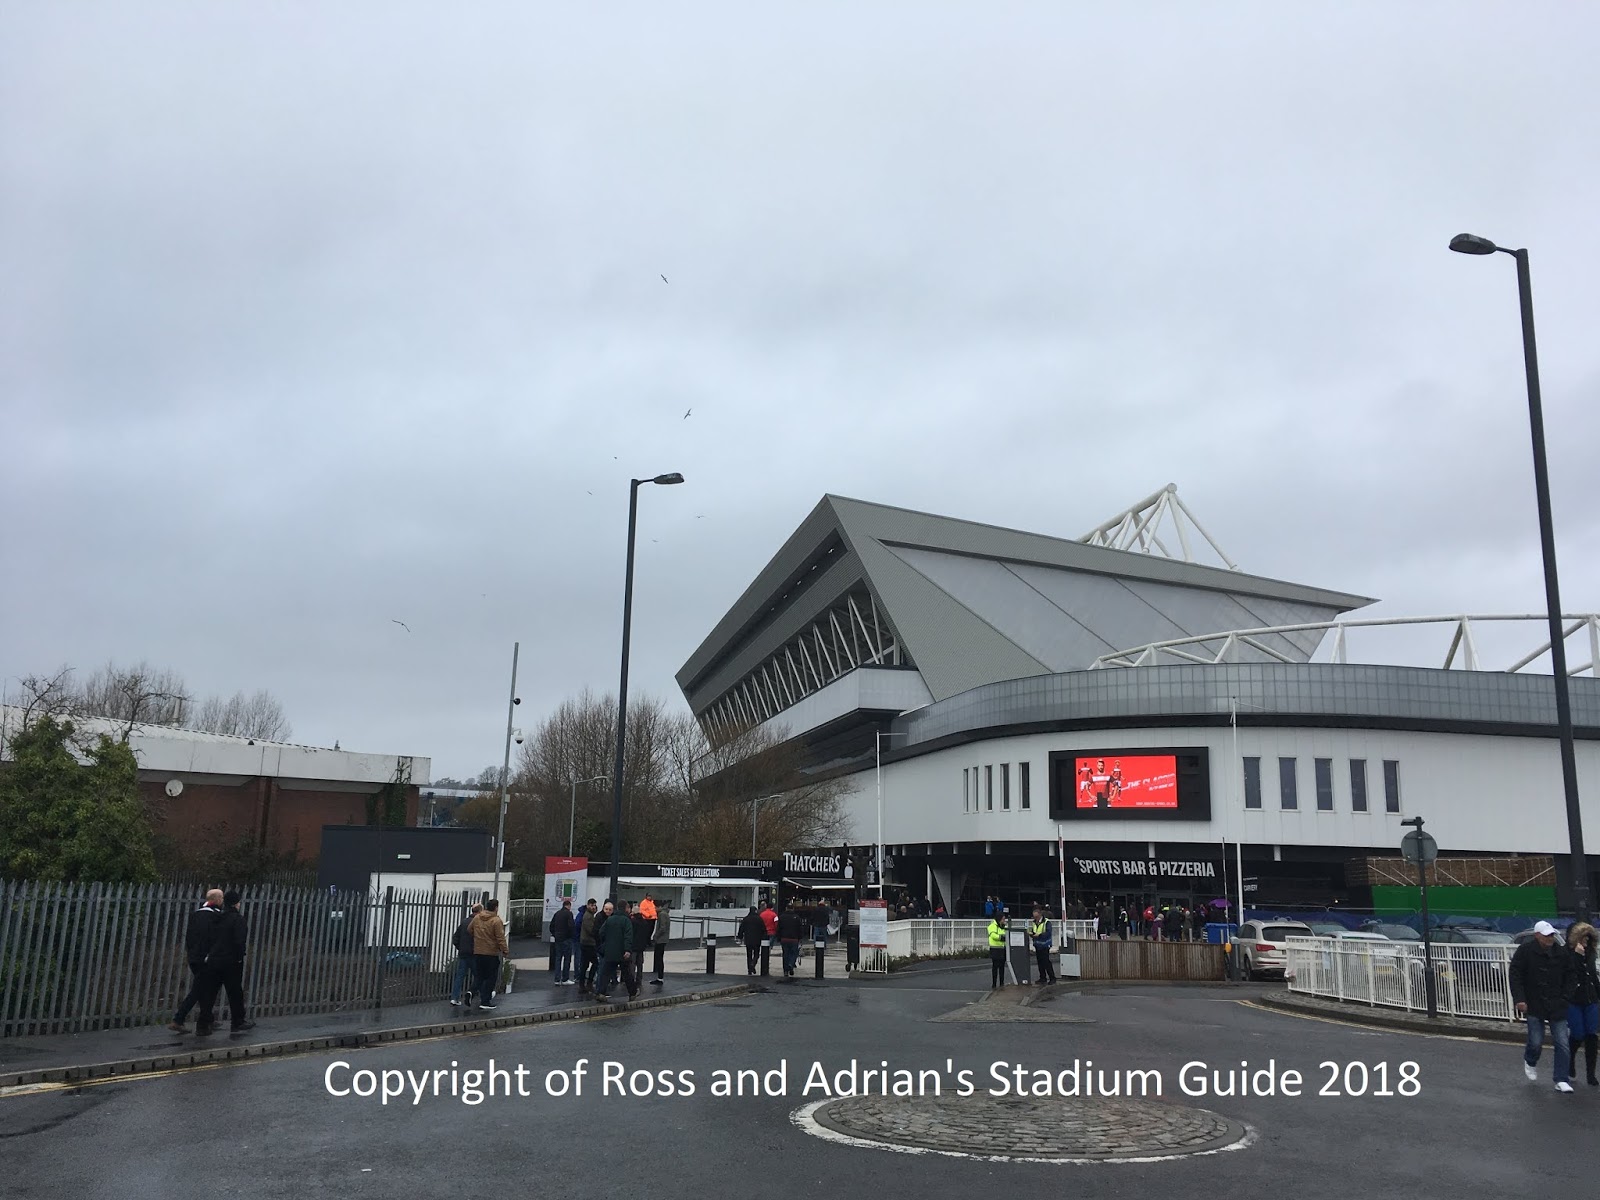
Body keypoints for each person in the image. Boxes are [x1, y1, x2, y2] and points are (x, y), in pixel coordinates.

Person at [1510, 919, 1579, 1092]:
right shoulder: (1525, 951)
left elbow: (1572, 976)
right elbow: (1515, 975)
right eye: (1547, 936)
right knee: (1536, 1041)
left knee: (1562, 1042)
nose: (1550, 938)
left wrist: (1565, 997)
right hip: (1534, 1002)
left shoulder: (1561, 953)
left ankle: (1561, 1079)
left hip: (1557, 1003)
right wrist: (1520, 999)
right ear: (1537, 936)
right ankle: (1530, 1060)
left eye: (1552, 935)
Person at [196, 890, 254, 1034]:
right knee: (234, 992)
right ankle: (238, 1021)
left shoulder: (216, 917)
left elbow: (209, 938)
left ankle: (203, 1024)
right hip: (231, 960)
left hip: (214, 959)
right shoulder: (237, 919)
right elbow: (239, 941)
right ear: (236, 903)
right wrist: (240, 956)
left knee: (210, 992)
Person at [169, 889, 224, 1032]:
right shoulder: (215, 916)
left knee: (204, 988)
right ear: (217, 899)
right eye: (221, 898)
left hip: (194, 957)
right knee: (199, 990)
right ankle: (178, 1019)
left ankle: (208, 1019)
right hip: (206, 959)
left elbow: (189, 937)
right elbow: (215, 939)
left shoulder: (196, 915)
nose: (222, 901)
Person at [1564, 921, 1600, 1087]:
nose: (1585, 942)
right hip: (1574, 998)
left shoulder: (1591, 952)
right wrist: (1578, 956)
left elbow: (1592, 975)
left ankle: (1590, 1074)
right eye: (1583, 938)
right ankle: (1570, 1062)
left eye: (1588, 939)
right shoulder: (1567, 953)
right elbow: (1572, 973)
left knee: (1592, 1034)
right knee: (1578, 1033)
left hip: (1590, 998)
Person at [470, 898, 509, 1011]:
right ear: (496, 908)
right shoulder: (496, 921)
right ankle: (485, 1001)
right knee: (491, 977)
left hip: (478, 952)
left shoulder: (477, 918)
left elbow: (470, 929)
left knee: (480, 976)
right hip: (491, 953)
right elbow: (500, 938)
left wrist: (478, 938)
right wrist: (505, 950)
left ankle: (471, 992)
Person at [594, 899, 633, 1002]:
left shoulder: (610, 919)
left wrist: (606, 943)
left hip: (609, 951)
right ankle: (632, 993)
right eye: (628, 908)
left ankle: (600, 993)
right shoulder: (626, 920)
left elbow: (601, 932)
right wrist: (627, 950)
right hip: (622, 952)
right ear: (625, 908)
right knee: (627, 973)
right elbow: (628, 937)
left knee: (605, 973)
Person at [450, 903, 483, 1006]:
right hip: (474, 953)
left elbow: (455, 938)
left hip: (463, 953)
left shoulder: (464, 922)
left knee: (460, 976)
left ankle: (454, 998)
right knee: (479, 976)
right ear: (479, 911)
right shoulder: (478, 922)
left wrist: (461, 948)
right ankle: (484, 996)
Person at [548, 898, 576, 985]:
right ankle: (565, 979)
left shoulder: (557, 914)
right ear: (569, 906)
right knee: (567, 959)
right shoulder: (569, 914)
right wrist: (571, 936)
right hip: (566, 939)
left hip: (558, 939)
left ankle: (557, 979)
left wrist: (555, 934)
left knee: (558, 959)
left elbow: (551, 926)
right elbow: (571, 926)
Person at [576, 898, 601, 995]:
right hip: (588, 943)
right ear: (588, 906)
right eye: (592, 905)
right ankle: (588, 983)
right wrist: (598, 934)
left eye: (594, 905)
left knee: (585, 964)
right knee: (595, 963)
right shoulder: (588, 916)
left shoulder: (590, 915)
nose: (593, 907)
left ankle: (583, 985)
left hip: (586, 943)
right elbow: (590, 930)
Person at [1028, 907, 1056, 986]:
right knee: (1040, 962)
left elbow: (1048, 933)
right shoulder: (1034, 922)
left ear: (1040, 915)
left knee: (1046, 962)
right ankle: (1042, 978)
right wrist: (1032, 934)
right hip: (1037, 944)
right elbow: (1034, 930)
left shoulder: (1047, 922)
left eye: (1036, 917)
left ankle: (1052, 978)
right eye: (1034, 917)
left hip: (1045, 944)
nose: (1035, 918)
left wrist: (1039, 935)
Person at [777, 903, 806, 978]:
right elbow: (800, 929)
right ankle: (791, 964)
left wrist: (778, 938)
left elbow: (779, 928)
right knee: (794, 953)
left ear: (786, 908)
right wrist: (800, 938)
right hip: (794, 939)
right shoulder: (797, 917)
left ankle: (785, 971)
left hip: (784, 938)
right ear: (793, 908)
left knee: (785, 954)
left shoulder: (782, 917)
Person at [739, 906, 765, 976]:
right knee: (756, 954)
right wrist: (764, 937)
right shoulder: (759, 919)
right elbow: (763, 929)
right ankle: (753, 963)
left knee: (749, 955)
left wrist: (740, 936)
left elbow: (741, 928)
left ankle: (749, 969)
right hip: (757, 939)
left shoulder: (746, 919)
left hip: (748, 939)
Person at [649, 903, 671, 986]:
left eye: (656, 906)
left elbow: (662, 928)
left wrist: (655, 936)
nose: (655, 908)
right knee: (659, 958)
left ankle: (660, 978)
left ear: (660, 907)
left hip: (661, 940)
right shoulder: (665, 914)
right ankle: (660, 977)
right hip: (663, 939)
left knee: (658, 958)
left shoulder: (662, 914)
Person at [987, 909, 1009, 989]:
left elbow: (1007, 933)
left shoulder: (1003, 926)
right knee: (995, 967)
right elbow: (993, 935)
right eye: (1003, 919)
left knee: (1002, 967)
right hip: (995, 949)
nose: (1004, 920)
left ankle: (1002, 983)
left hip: (1002, 948)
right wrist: (1002, 938)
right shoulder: (992, 926)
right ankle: (994, 984)